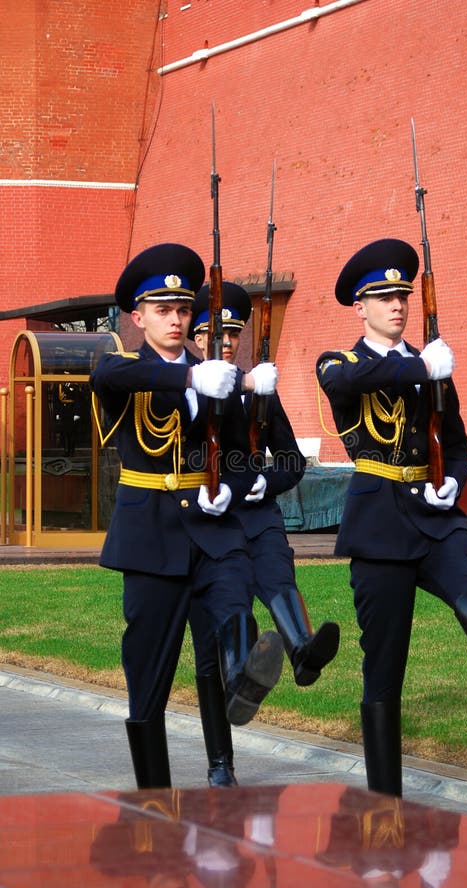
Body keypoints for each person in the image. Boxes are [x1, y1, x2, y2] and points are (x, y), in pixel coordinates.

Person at [316, 238, 467, 797]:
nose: (397, 304)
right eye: (383, 296)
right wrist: (421, 366)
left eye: (402, 295)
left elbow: (459, 445)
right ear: (360, 308)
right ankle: (383, 801)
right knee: (385, 665)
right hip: (379, 525)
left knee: (465, 576)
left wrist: (453, 481)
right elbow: (348, 385)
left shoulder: (433, 366)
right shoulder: (341, 363)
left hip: (434, 516)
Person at [90, 243, 284, 790]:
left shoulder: (217, 374)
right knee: (149, 676)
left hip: (213, 530)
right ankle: (154, 795)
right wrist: (190, 381)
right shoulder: (127, 367)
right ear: (138, 317)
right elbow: (109, 379)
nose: (176, 320)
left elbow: (244, 453)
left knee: (230, 613)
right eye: (162, 311)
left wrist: (233, 478)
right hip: (151, 536)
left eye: (182, 310)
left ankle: (242, 679)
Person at [189, 281, 340, 787]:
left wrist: (262, 481)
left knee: (278, 575)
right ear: (195, 335)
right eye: (215, 331)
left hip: (256, 514)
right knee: (212, 650)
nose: (226, 340)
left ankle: (301, 651)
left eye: (234, 331)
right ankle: (220, 764)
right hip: (208, 521)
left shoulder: (261, 390)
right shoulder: (186, 388)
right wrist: (234, 480)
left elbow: (293, 460)